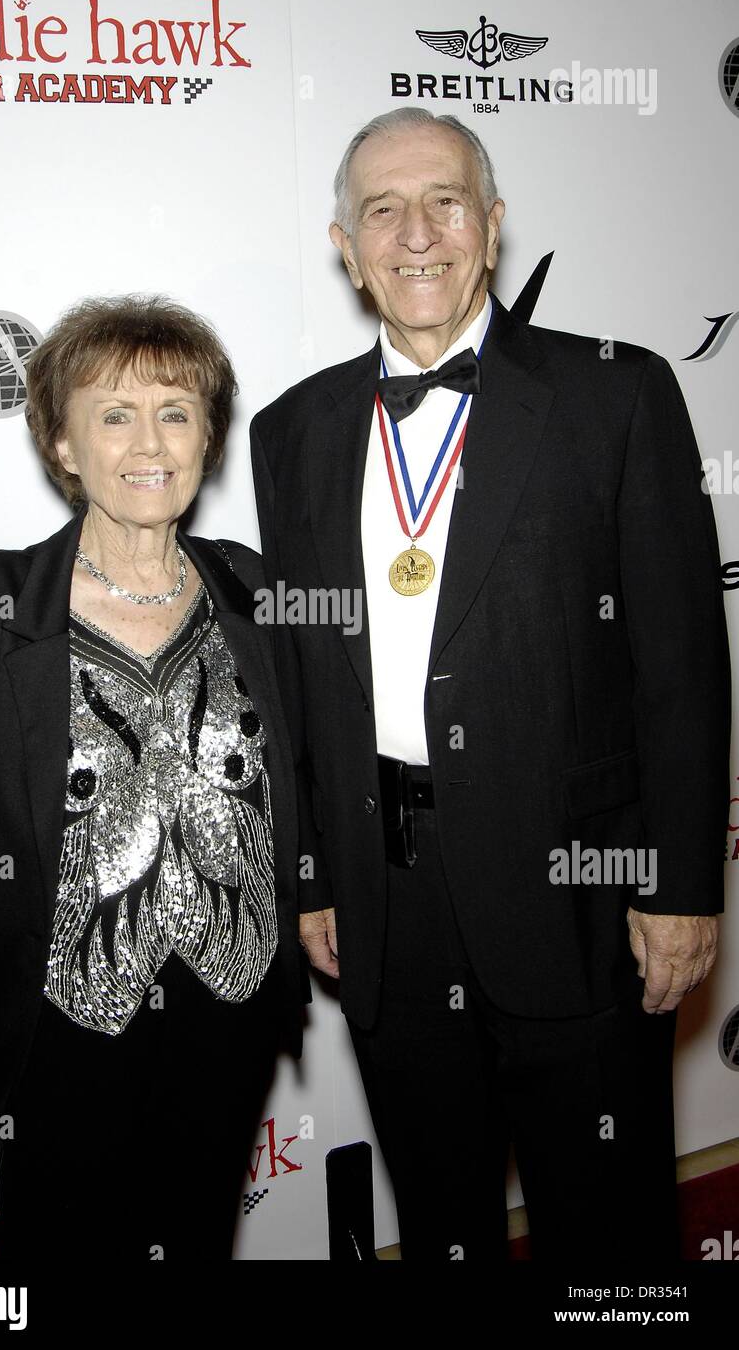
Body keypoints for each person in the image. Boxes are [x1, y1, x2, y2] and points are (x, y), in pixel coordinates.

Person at [250, 108, 730, 1261]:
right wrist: (313, 868)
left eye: (445, 202)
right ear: (344, 245)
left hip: (576, 892)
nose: (417, 234)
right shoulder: (291, 431)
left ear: (493, 225)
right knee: (444, 1215)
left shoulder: (614, 396)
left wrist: (678, 887)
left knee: (606, 1231)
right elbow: (305, 679)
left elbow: (679, 667)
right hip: (385, 905)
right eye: (382, 211)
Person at [0, 294, 303, 1261]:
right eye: (114, 414)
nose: (149, 442)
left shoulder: (256, 588)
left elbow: (303, 773)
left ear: (207, 439)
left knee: (195, 1229)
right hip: (59, 1002)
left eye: (176, 412)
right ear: (60, 445)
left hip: (234, 988)